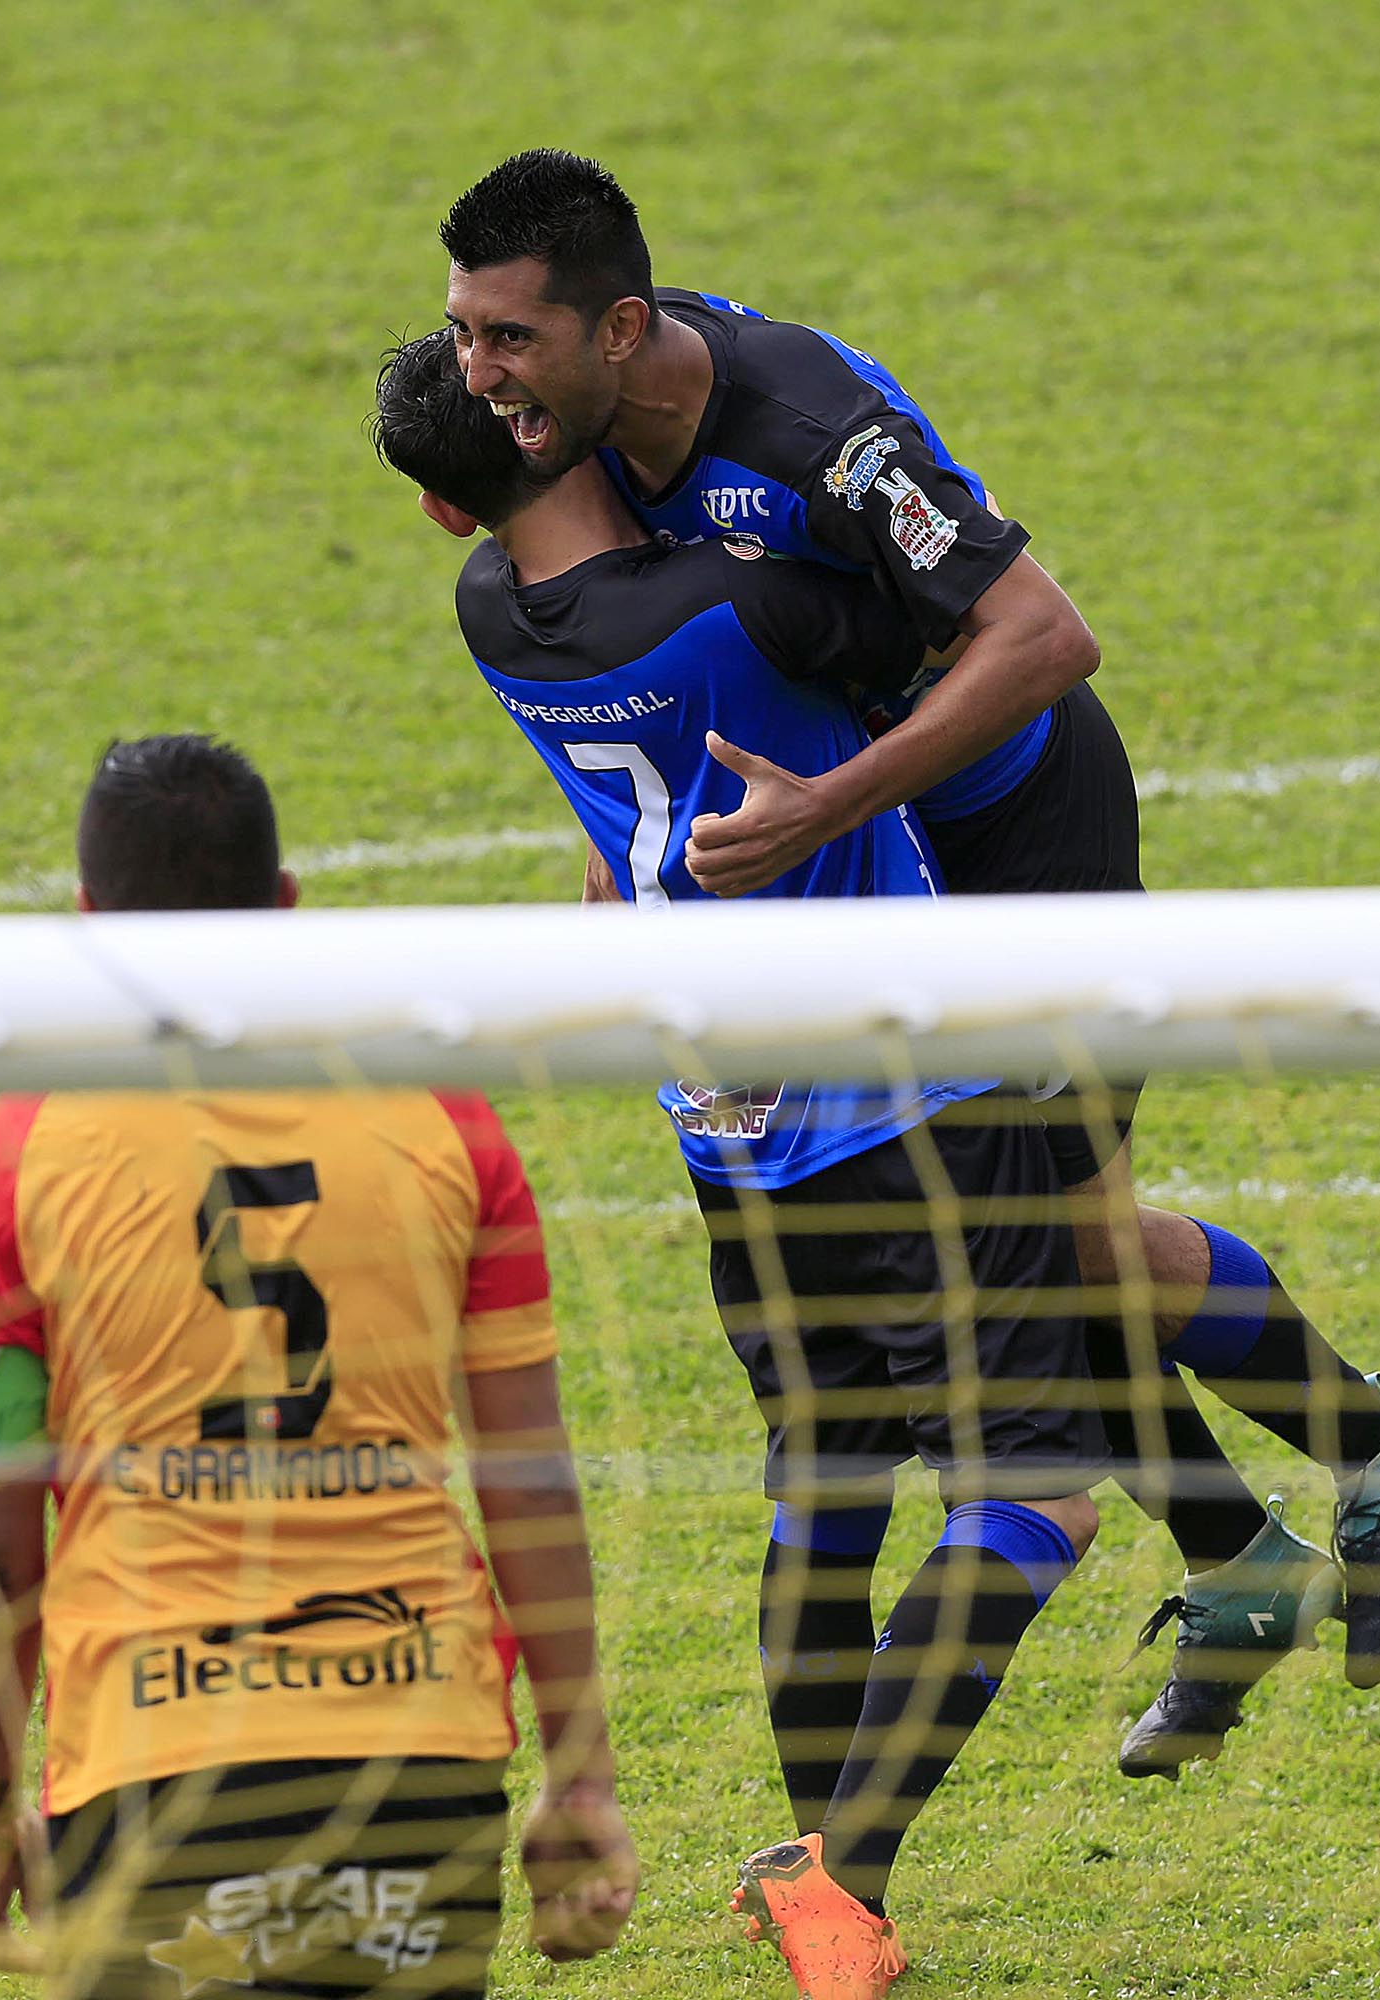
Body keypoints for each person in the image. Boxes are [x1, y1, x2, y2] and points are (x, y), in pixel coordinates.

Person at [433, 150, 1380, 1756]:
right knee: (1031, 1252)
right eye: (464, 337)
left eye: (508, 341)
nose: (480, 377)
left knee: (1056, 1247)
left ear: (622, 328)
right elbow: (675, 687)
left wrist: (823, 808)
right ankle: (1248, 1557)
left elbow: (1048, 638)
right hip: (864, 849)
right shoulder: (592, 441)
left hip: (1013, 827)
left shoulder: (806, 432)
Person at [378, 336, 1124, 2000]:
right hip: (910, 1100)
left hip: (722, 1111)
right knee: (1034, 1496)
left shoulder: (492, 614)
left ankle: (832, 1925)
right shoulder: (744, 603)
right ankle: (837, 1871)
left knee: (822, 1482)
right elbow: (980, 635)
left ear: (445, 511)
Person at [0, 735, 638, 1997]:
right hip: (415, 1754)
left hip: (147, 1761)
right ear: (289, 904)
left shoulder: (14, 1148)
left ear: (88, 917)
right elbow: (528, 1481)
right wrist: (576, 1766)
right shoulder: (446, 1121)